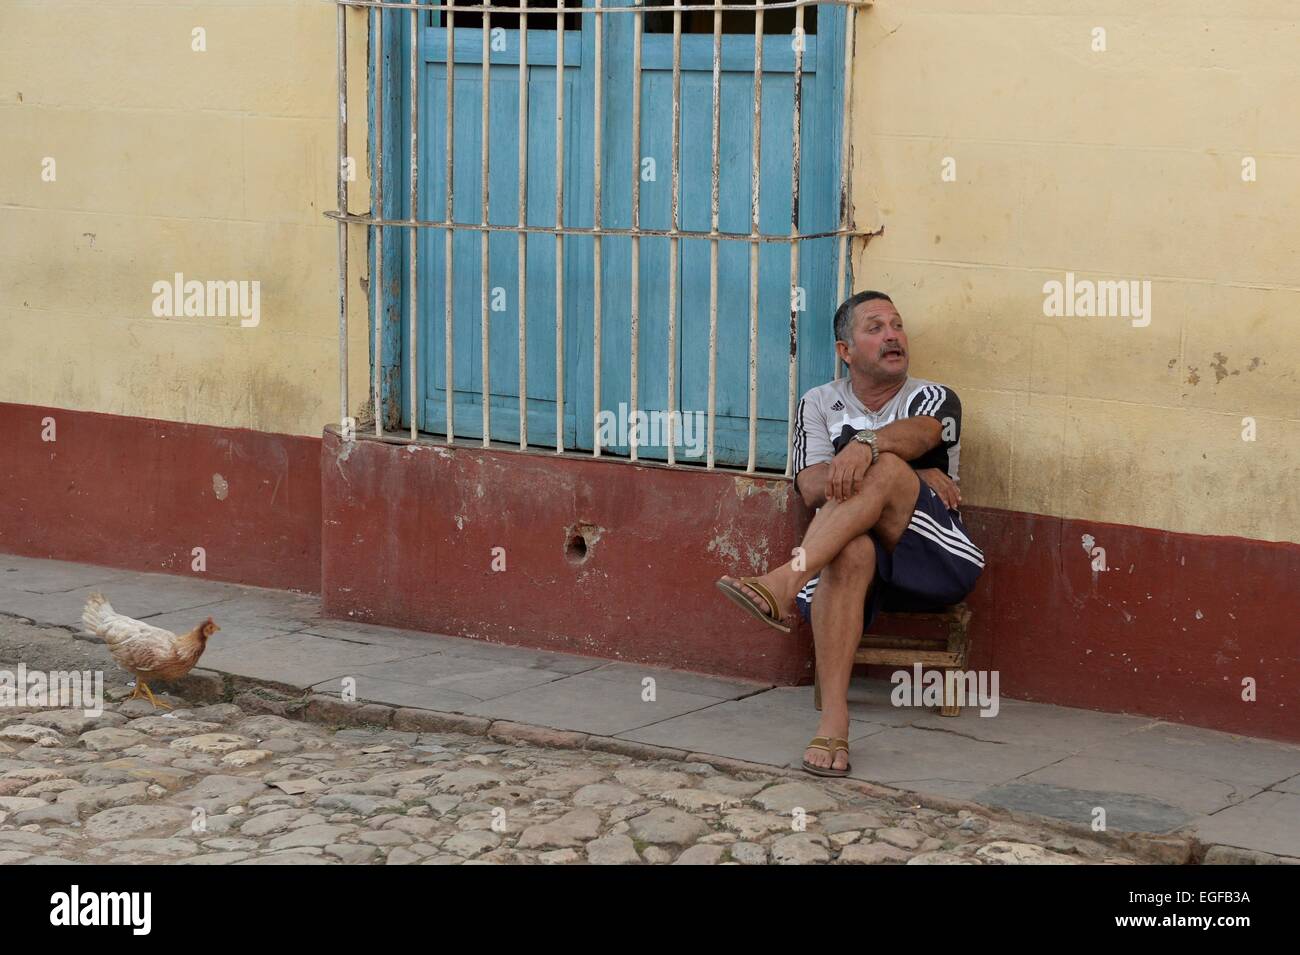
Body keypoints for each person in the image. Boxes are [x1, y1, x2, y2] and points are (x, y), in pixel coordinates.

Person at [716, 290, 984, 777]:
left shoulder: (934, 396)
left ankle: (783, 581)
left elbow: (925, 434)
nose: (892, 336)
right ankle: (834, 721)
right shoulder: (818, 402)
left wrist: (870, 449)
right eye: (875, 328)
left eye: (897, 326)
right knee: (852, 546)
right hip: (853, 555)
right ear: (846, 350)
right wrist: (910, 470)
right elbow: (811, 485)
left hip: (936, 556)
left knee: (884, 472)